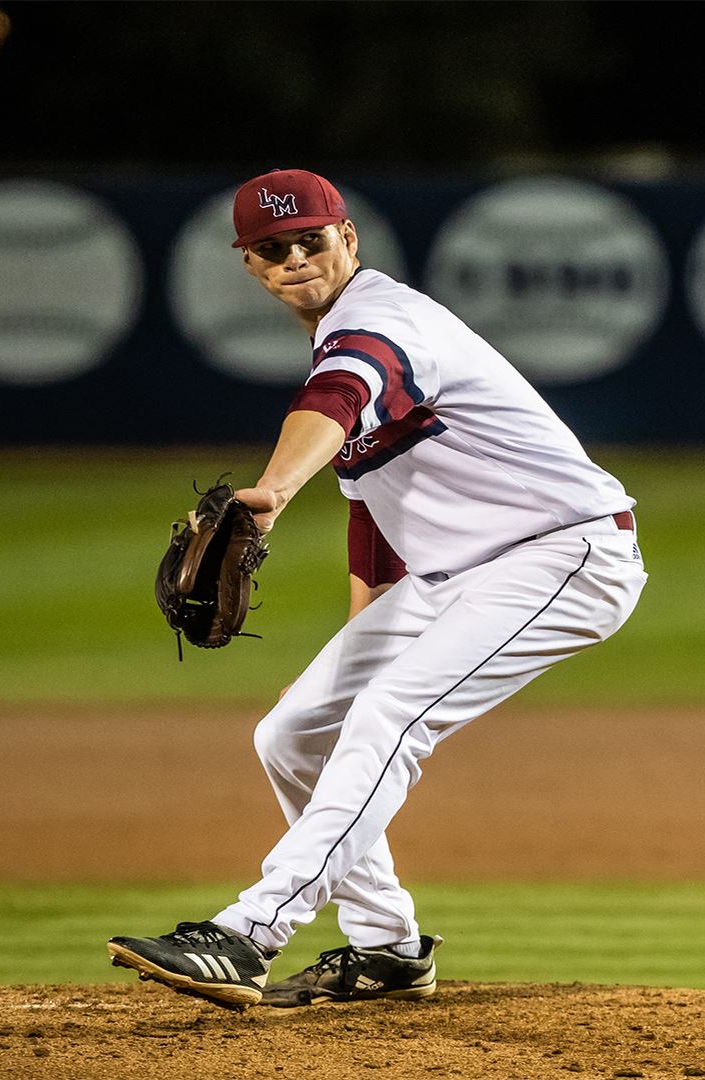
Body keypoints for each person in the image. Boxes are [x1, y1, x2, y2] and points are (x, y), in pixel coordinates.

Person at [107, 168, 647, 1009]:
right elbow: (372, 522)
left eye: (311, 240)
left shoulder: (383, 321)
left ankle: (252, 932)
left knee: (391, 715)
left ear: (348, 240)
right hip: (454, 575)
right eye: (271, 249)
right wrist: (350, 651)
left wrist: (275, 488)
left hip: (563, 555)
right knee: (289, 732)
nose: (295, 259)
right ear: (249, 266)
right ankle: (386, 946)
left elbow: (341, 390)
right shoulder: (336, 332)